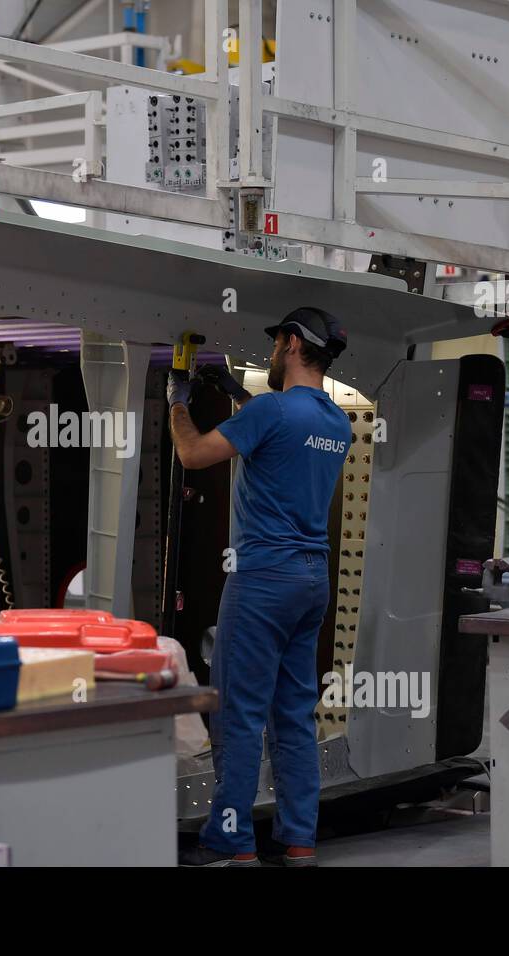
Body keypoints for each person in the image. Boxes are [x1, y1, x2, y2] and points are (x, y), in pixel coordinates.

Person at [167, 307, 352, 867]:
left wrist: (178, 400)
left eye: (276, 344)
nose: (271, 353)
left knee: (239, 712)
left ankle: (233, 840)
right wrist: (229, 389)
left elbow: (192, 454)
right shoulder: (334, 422)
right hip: (311, 582)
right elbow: (281, 432)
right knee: (294, 715)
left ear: (292, 344)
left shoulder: (271, 410)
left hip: (263, 579)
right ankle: (299, 840)